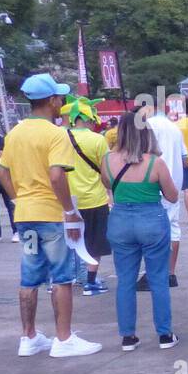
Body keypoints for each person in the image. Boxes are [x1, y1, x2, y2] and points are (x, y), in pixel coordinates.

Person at [0, 73, 102, 357]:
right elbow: (57, 176)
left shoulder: (15, 133)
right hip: (51, 216)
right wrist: (69, 210)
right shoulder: (56, 134)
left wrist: (18, 199)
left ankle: (29, 337)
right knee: (62, 277)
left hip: (25, 215)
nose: (62, 103)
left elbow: (2, 173)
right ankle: (64, 339)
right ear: (52, 100)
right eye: (60, 98)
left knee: (29, 276)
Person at [101, 109, 180, 351]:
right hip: (151, 220)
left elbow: (107, 184)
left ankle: (128, 336)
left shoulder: (107, 160)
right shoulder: (155, 163)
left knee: (125, 280)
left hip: (120, 221)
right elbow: (172, 196)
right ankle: (165, 334)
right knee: (158, 278)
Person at [60, 95, 112, 295]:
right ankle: (90, 282)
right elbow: (105, 172)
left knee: (70, 242)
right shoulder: (98, 139)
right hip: (95, 199)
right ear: (88, 118)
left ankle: (63, 279)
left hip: (68, 201)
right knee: (95, 243)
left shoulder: (61, 138)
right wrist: (110, 191)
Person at [139, 102, 187, 290]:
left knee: (152, 232)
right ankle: (170, 274)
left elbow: (142, 154)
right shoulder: (175, 128)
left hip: (153, 185)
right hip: (174, 185)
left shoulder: (149, 125)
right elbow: (185, 159)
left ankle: (153, 274)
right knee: (173, 228)